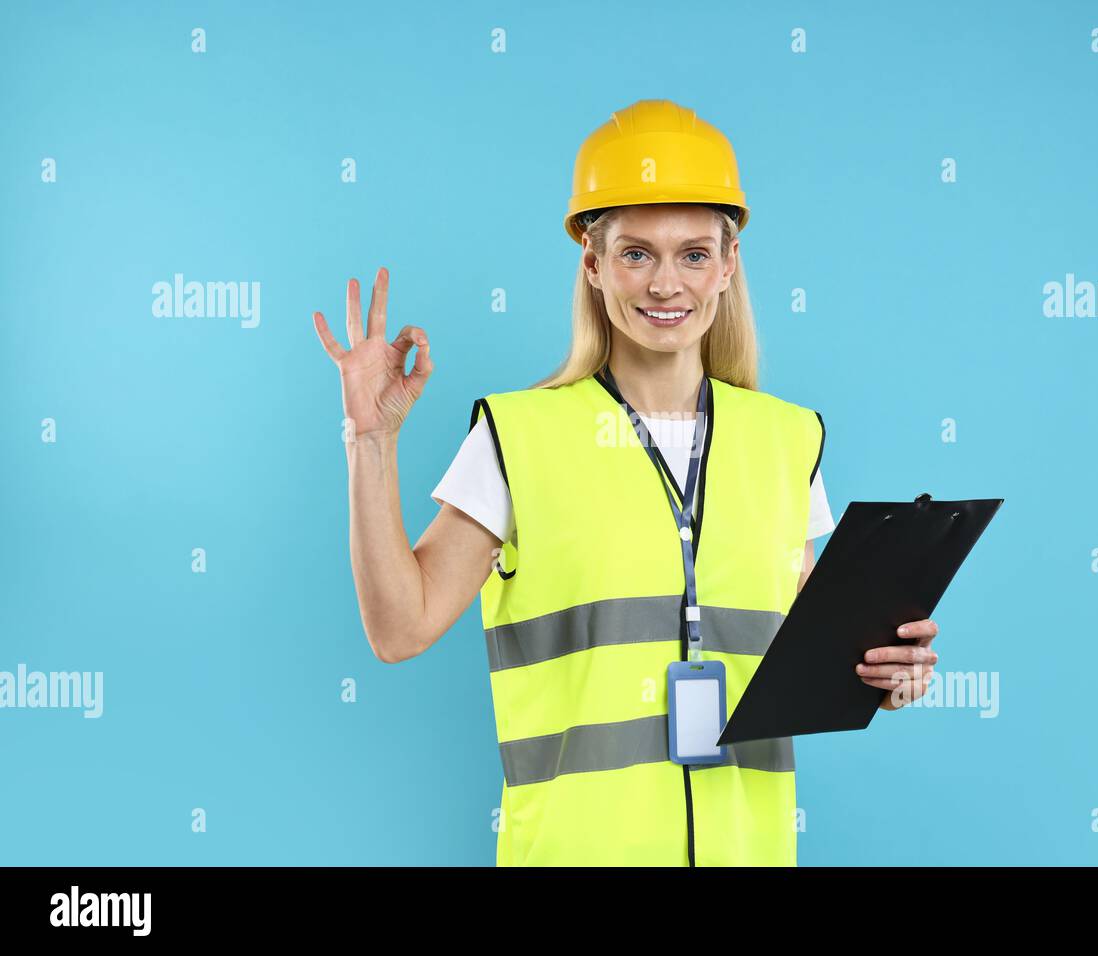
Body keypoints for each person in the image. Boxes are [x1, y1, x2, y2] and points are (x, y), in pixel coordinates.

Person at [313, 100, 939, 866]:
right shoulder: (520, 436)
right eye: (636, 253)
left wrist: (889, 674)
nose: (666, 284)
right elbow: (398, 630)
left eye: (694, 255)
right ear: (593, 263)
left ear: (729, 264)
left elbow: (817, 663)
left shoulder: (787, 441)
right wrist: (371, 440)